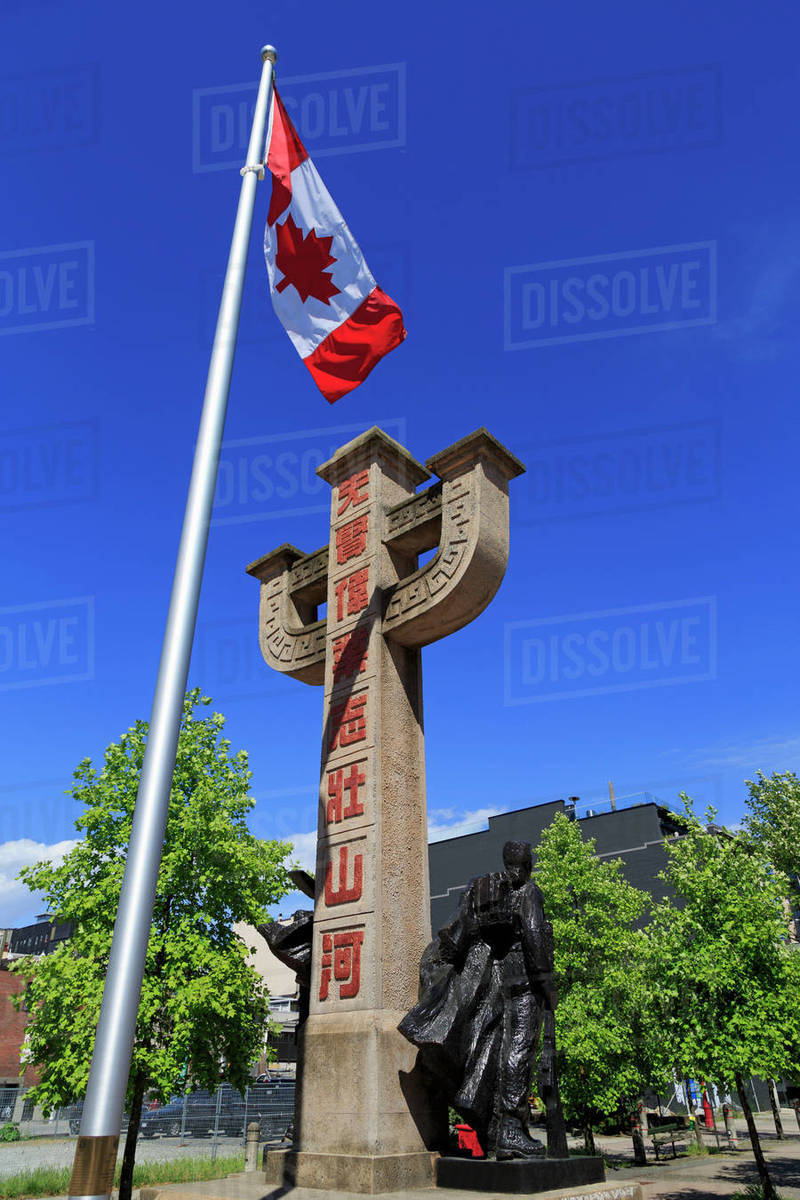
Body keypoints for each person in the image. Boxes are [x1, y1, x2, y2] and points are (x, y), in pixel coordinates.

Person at [400, 840, 567, 1160]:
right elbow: (533, 937)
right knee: (520, 1050)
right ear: (529, 864)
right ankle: (510, 1130)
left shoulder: (494, 890)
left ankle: (499, 1130)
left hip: (502, 982)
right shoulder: (527, 892)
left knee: (503, 1049)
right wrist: (547, 985)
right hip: (526, 984)